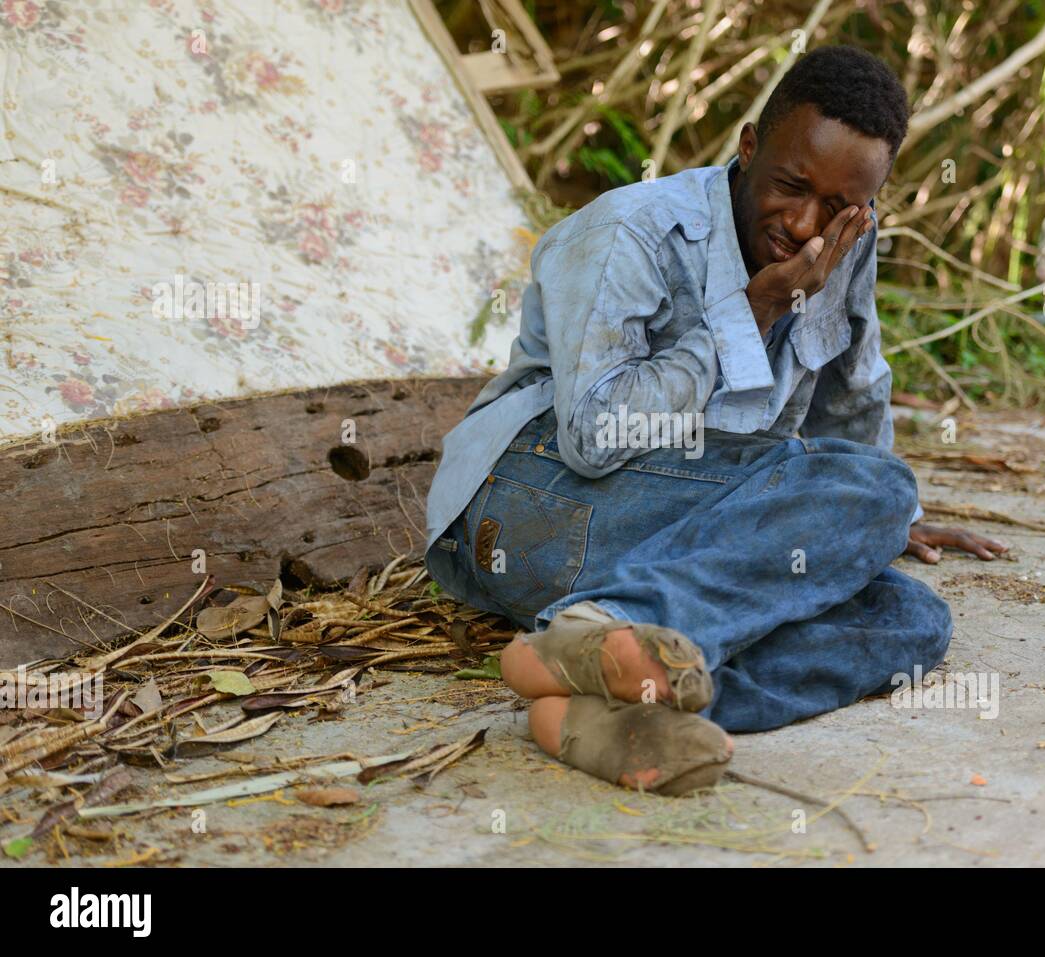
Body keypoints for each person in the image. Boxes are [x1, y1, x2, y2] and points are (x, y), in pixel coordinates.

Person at [424, 45, 1008, 795]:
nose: (804, 225)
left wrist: (852, 526)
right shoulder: (629, 231)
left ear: (864, 207)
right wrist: (755, 309)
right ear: (748, 145)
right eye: (792, 186)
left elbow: (852, 392)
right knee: (879, 487)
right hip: (529, 505)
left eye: (837, 207)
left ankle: (598, 705)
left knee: (910, 620)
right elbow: (596, 437)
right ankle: (603, 628)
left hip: (674, 535)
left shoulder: (846, 244)